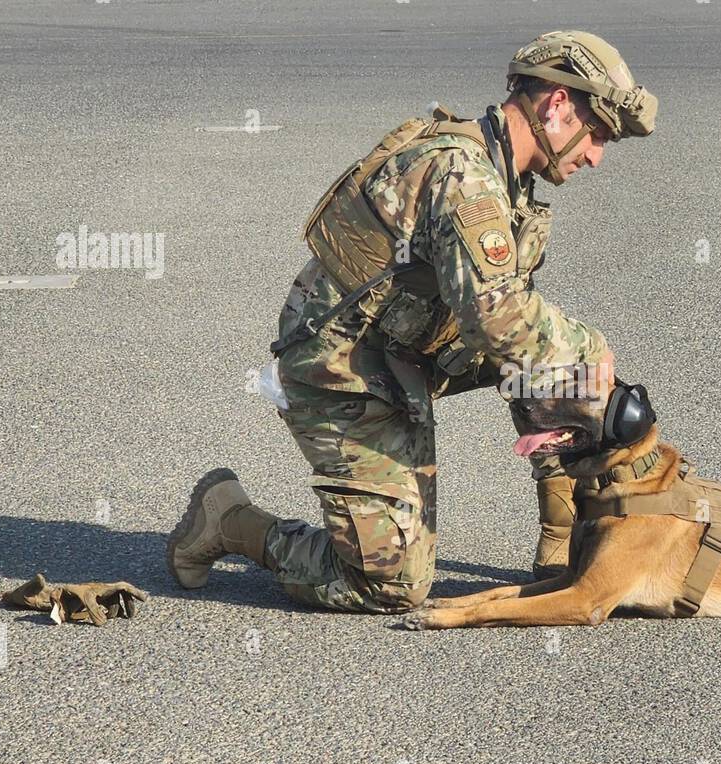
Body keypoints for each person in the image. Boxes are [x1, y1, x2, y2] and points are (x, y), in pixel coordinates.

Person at [167, 30, 656, 613]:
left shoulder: (506, 174)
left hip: (413, 345)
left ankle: (562, 540)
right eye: (597, 132)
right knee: (389, 584)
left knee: (566, 369)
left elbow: (509, 320)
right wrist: (589, 346)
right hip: (344, 367)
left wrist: (573, 362)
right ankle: (231, 520)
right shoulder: (464, 175)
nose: (597, 155)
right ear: (556, 104)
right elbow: (499, 320)